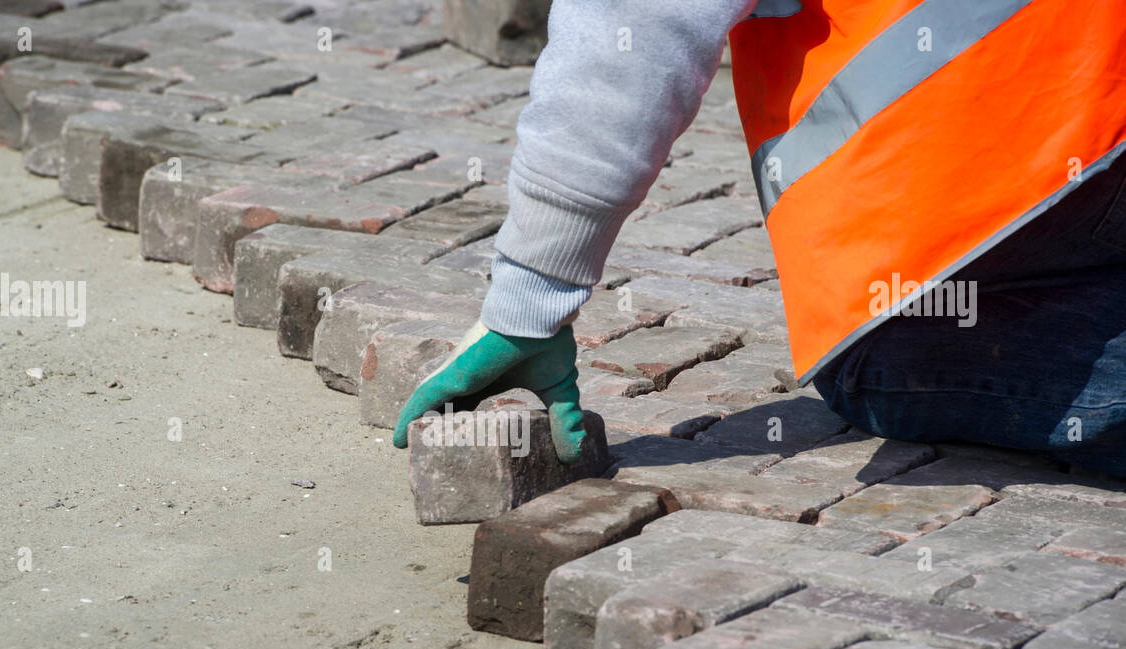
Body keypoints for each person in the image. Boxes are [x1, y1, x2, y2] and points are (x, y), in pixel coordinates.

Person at [392, 0, 1126, 476]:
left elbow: (639, 21)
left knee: (878, 358)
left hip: (1038, 158)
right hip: (1100, 95)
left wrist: (528, 297)